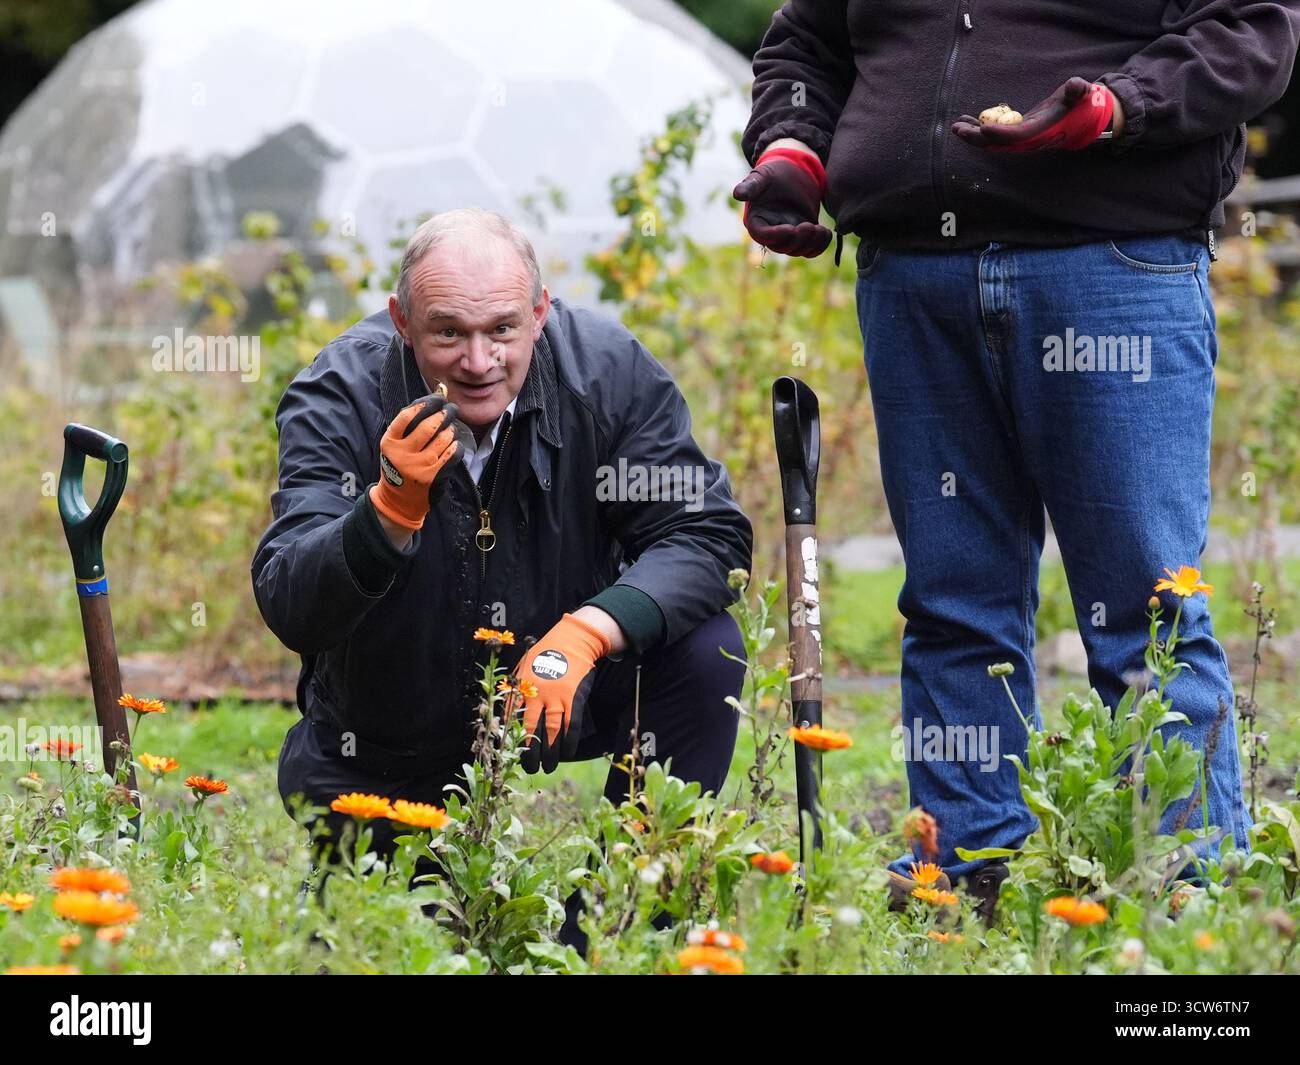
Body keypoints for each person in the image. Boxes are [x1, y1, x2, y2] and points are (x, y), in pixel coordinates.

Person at [735, 0, 1300, 918]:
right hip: (915, 277)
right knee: (953, 601)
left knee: (1147, 609)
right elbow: (805, 43)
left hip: (1112, 269)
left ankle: (1188, 899)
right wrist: (794, 150)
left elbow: (1250, 35)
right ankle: (958, 882)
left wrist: (1116, 106)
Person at [251, 208, 752, 917]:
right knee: (393, 947)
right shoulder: (340, 395)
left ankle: (622, 916)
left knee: (708, 648)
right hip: (386, 739)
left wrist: (591, 631)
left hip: (556, 687)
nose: (479, 362)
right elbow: (289, 600)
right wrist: (384, 516)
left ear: (539, 312)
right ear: (402, 320)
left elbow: (706, 533)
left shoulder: (608, 376)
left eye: (503, 330)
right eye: (449, 332)